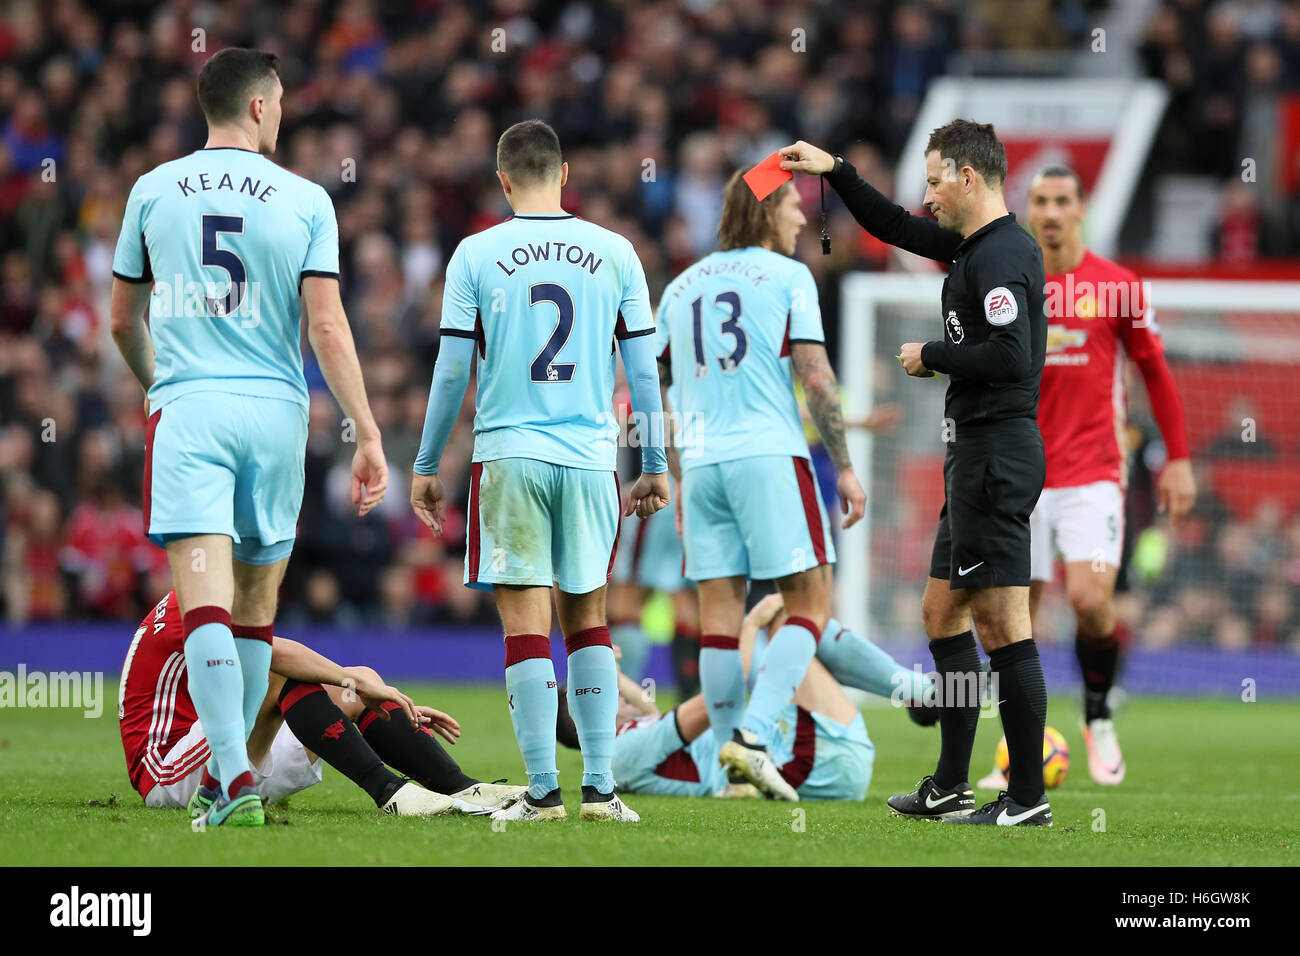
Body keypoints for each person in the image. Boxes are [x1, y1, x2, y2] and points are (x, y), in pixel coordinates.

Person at [110, 49, 388, 827]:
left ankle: (230, 778)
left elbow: (117, 320)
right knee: (257, 610)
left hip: (190, 409)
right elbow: (326, 325)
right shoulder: (305, 198)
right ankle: (231, 779)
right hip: (276, 412)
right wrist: (366, 431)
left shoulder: (151, 189)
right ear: (263, 107)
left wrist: (158, 380)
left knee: (204, 601)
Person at [782, 121, 1053, 826]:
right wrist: (834, 168)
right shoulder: (973, 247)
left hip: (997, 454)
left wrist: (931, 354)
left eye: (935, 179)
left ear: (969, 176)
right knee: (942, 613)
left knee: (1001, 621)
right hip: (974, 456)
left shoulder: (1001, 256)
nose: (927, 194)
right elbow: (895, 225)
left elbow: (1014, 355)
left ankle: (1027, 798)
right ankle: (951, 786)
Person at [410, 120, 669, 823]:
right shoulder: (616, 252)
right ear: (565, 173)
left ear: (502, 179)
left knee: (526, 627)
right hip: (589, 460)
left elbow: (453, 368)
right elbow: (643, 373)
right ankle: (605, 792)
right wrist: (651, 462)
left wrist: (428, 463)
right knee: (589, 623)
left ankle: (544, 791)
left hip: (510, 455)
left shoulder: (475, 253)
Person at [974, 165, 1193, 788]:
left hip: (1094, 471)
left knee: (1092, 602)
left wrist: (1177, 458)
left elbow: (1156, 372)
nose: (1049, 211)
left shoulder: (1117, 286)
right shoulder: (1011, 281)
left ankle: (1097, 714)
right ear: (1026, 208)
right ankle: (1021, 751)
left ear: (1080, 210)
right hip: (1021, 473)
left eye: (1061, 201)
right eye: (1038, 200)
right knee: (1019, 619)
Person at [655, 167, 866, 801]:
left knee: (718, 619)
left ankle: (730, 775)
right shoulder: (788, 277)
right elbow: (817, 378)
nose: (804, 218)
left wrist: (677, 472)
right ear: (768, 208)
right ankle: (750, 739)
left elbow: (656, 389)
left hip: (703, 465)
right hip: (770, 456)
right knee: (810, 603)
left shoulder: (680, 286)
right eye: (795, 205)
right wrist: (847, 466)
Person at [120, 592, 526, 817]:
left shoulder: (215, 595)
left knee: (353, 689)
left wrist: (364, 684)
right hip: (165, 770)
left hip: (220, 749)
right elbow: (272, 656)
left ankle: (460, 788)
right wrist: (354, 679)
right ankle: (391, 793)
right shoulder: (193, 603)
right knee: (290, 676)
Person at [557, 594, 931, 801]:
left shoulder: (624, 744)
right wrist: (750, 626)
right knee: (794, 618)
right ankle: (922, 693)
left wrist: (608, 672)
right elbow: (717, 700)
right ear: (588, 715)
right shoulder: (621, 753)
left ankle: (920, 694)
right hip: (812, 763)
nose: (619, 695)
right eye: (600, 692)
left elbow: (647, 707)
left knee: (798, 623)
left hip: (813, 758)